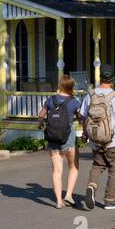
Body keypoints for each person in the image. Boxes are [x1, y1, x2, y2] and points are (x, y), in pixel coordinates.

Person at [78, 65, 115, 211]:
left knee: (97, 166)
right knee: (114, 170)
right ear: (112, 79)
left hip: (95, 140)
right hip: (112, 141)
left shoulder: (90, 95)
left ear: (100, 77)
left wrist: (84, 134)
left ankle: (91, 186)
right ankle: (110, 200)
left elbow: (84, 117)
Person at [37, 75, 83, 208]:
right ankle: (68, 195)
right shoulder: (75, 101)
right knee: (73, 167)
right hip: (68, 137)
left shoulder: (51, 100)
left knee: (57, 171)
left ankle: (58, 201)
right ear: (71, 87)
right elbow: (82, 117)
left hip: (52, 137)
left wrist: (42, 126)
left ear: (60, 85)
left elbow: (41, 115)